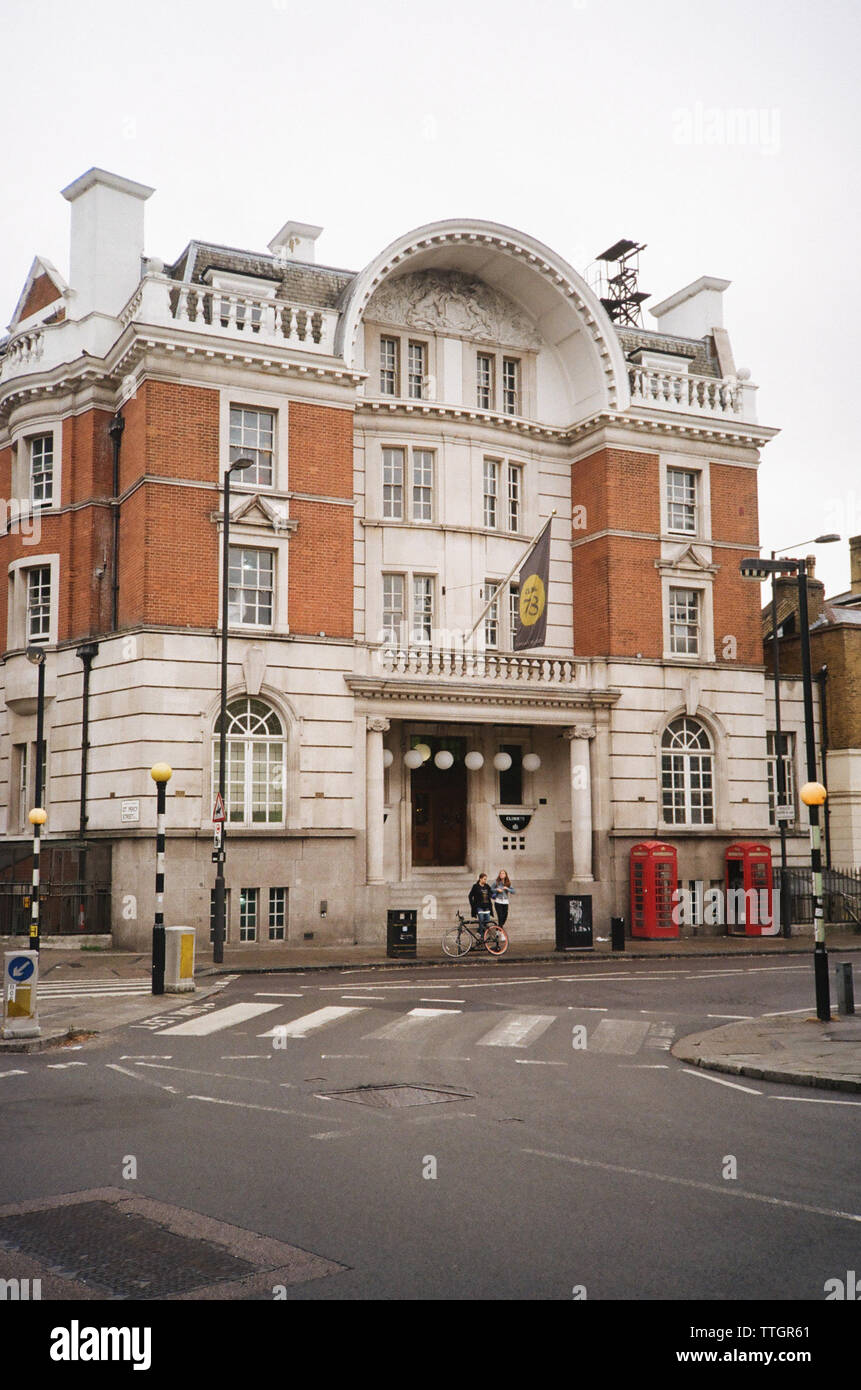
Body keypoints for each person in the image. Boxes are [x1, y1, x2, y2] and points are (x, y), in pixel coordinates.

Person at [468, 873, 496, 939]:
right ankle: (482, 937)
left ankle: (479, 932)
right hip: (479, 907)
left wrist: (494, 896)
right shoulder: (475, 886)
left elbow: (491, 893)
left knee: (487, 921)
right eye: (484, 879)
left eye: (486, 879)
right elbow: (470, 896)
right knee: (481, 920)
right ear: (480, 879)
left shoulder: (487, 886)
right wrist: (473, 904)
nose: (485, 880)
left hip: (487, 906)